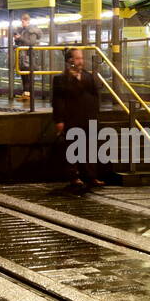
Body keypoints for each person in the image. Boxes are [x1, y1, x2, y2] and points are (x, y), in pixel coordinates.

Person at [52, 47, 104, 193]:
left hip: (89, 118)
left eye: (81, 58)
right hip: (72, 119)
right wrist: (59, 120)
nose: (80, 61)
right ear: (69, 60)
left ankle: (91, 176)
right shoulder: (61, 79)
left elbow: (95, 97)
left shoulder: (89, 76)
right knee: (72, 148)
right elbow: (58, 101)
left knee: (90, 148)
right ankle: (74, 176)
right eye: (77, 58)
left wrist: (95, 115)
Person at [13, 13, 42, 98]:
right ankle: (25, 96)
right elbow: (21, 43)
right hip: (22, 57)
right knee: (24, 77)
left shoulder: (32, 31)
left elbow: (31, 43)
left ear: (27, 21)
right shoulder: (23, 30)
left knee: (29, 78)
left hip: (29, 57)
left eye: (22, 21)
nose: (21, 23)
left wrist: (20, 38)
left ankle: (29, 97)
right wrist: (17, 40)